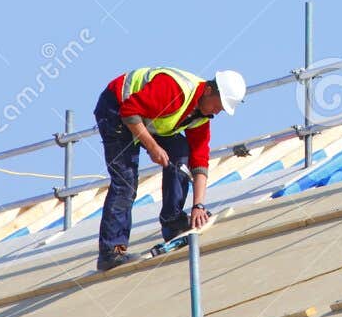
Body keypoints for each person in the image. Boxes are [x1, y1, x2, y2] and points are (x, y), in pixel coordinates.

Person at [94, 67, 246, 271]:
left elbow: (199, 161)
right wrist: (153, 146)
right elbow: (129, 112)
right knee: (126, 182)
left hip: (146, 118)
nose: (218, 112)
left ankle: (172, 222)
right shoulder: (175, 90)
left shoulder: (200, 116)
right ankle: (111, 251)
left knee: (181, 152)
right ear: (209, 91)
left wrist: (198, 206)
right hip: (116, 108)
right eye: (219, 106)